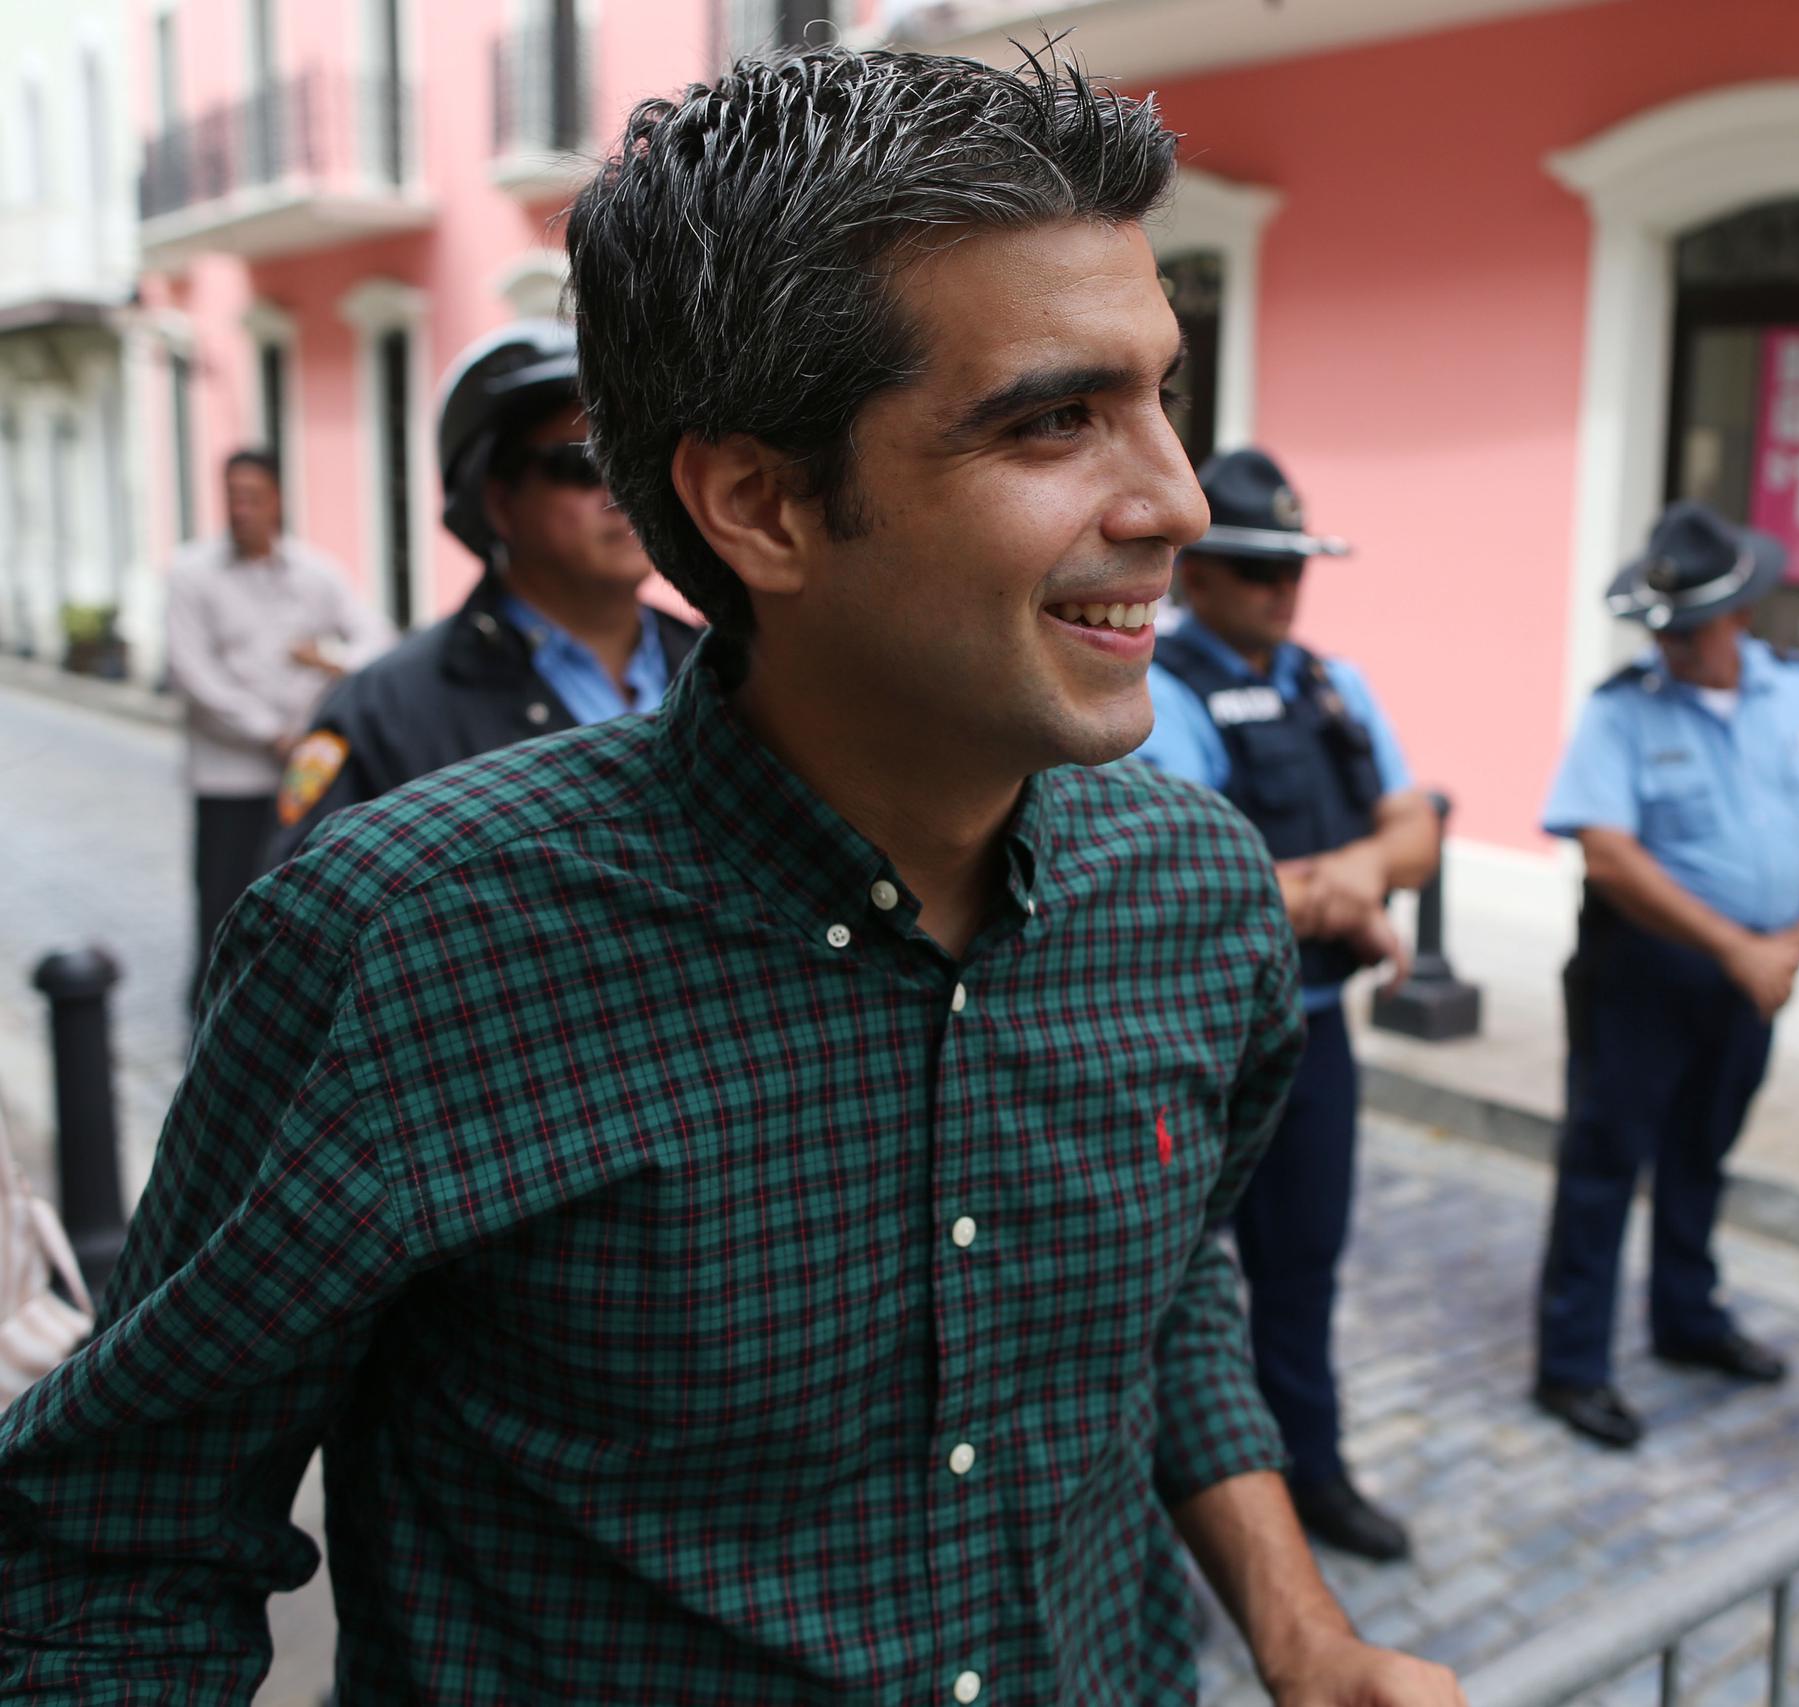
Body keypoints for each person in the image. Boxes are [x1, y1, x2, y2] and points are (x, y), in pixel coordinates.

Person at [0, 49, 1460, 1707]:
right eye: (1055, 418)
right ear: (761, 503)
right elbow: (113, 1551)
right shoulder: (409, 943)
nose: (1178, 501)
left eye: (1160, 398)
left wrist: (1300, 1628)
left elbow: (1167, 1276)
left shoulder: (1194, 893)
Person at [1133, 446, 1439, 1562]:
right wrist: (1344, 890)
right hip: (1195, 1039)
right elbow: (1188, 873)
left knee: (1303, 1266)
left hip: (1310, 1026)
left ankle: (1309, 1470)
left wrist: (1342, 878)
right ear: (1199, 571)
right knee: (1168, 1284)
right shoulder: (1159, 687)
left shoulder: (1328, 681)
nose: (1282, 590)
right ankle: (1159, 1512)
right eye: (1258, 570)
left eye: (1293, 569)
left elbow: (1417, 829)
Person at [1529, 502, 1799, 1450]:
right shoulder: (1623, 710)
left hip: (1758, 970)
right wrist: (1737, 947)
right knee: (1603, 1164)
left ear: (1741, 616)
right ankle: (1572, 1364)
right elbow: (1609, 852)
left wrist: (1791, 946)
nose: (1672, 645)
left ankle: (1688, 1315)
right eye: (1664, 630)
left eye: (1691, 629)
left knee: (1703, 1151)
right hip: (1644, 968)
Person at [267, 321, 699, 863]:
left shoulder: (732, 666)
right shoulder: (385, 712)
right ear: (498, 501)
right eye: (584, 463)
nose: (623, 491)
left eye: (638, 460)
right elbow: (310, 902)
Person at [161, 448, 391, 1006]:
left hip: (307, 779)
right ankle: (208, 1023)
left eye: (253, 497)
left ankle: (286, 1017)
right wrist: (273, 733)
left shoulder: (316, 572)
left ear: (277, 501)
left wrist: (329, 661)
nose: (241, 509)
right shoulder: (190, 574)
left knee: (303, 904)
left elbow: (379, 641)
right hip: (229, 777)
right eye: (232, 496)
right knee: (222, 905)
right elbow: (193, 674)